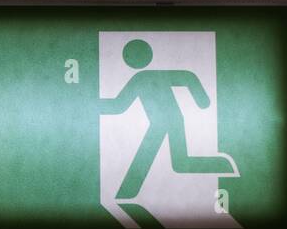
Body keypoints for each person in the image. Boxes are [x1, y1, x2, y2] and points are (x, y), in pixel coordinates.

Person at [101, 39, 236, 201]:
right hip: (166, 122)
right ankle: (127, 192)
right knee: (179, 162)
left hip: (168, 122)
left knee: (176, 161)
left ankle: (127, 192)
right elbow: (188, 77)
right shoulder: (142, 78)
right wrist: (202, 100)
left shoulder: (142, 78)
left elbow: (119, 105)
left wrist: (201, 100)